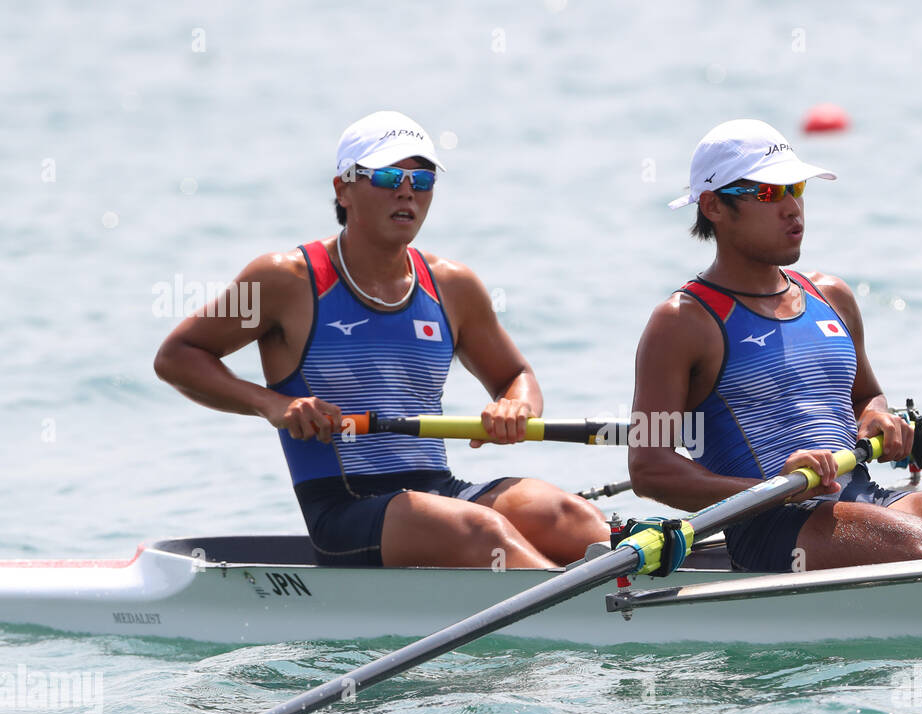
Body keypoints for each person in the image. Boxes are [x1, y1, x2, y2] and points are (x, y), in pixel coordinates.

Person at [155, 110, 608, 568]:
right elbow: (178, 356)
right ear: (343, 188)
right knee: (484, 531)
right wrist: (271, 404)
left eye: (422, 179)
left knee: (572, 516)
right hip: (345, 508)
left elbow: (515, 375)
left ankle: (617, 594)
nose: (407, 190)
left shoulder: (452, 285)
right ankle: (598, 619)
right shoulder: (285, 279)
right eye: (389, 175)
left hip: (440, 492)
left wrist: (517, 406)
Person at [629, 119, 922, 572]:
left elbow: (865, 396)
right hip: (774, 524)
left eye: (797, 188)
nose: (793, 208)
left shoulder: (832, 296)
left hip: (863, 495)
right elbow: (651, 467)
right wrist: (769, 485)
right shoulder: (682, 322)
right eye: (769, 193)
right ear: (713, 206)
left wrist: (877, 417)